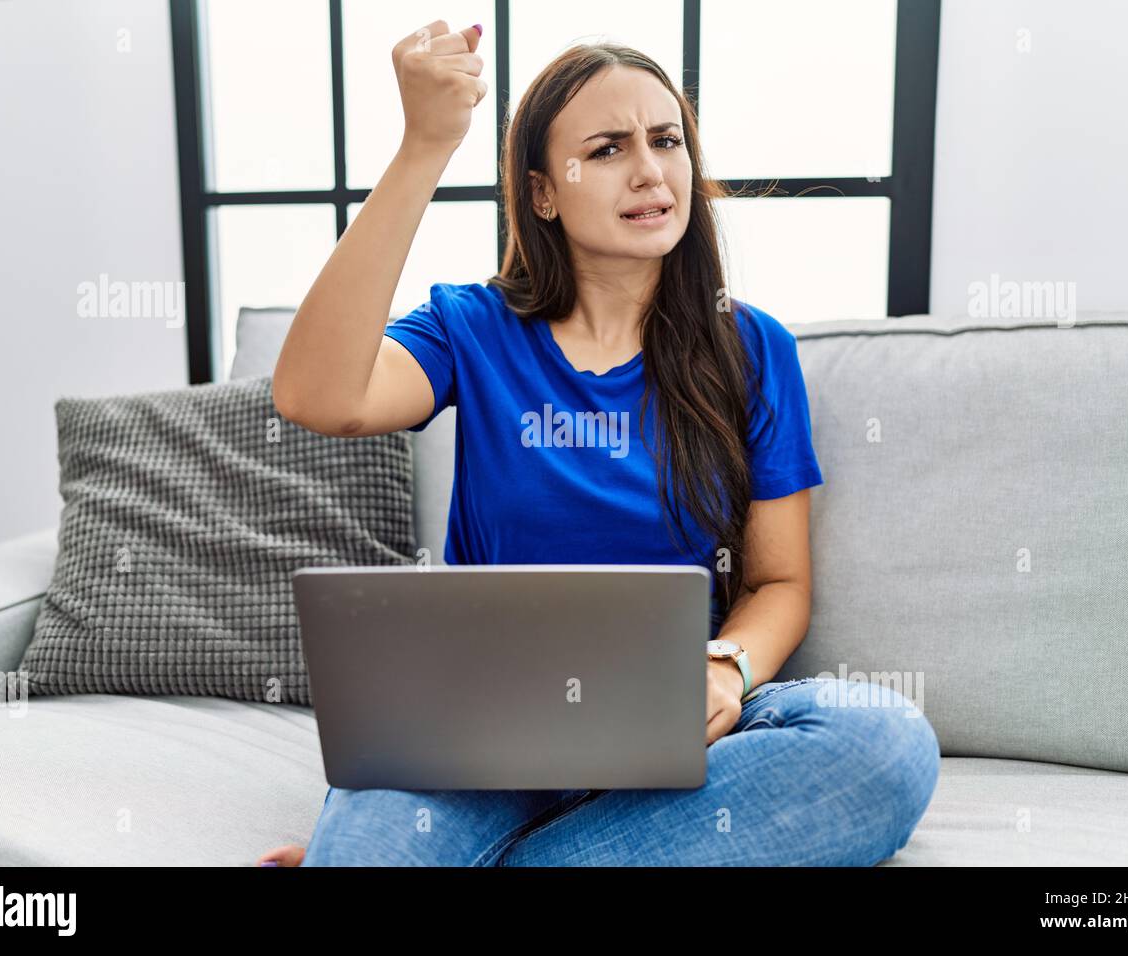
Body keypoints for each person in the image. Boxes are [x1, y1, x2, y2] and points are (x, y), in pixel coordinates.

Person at [262, 19, 940, 866]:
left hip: (678, 730)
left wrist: (725, 671)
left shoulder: (752, 347)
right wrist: (423, 148)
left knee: (884, 739)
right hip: (480, 729)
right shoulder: (470, 328)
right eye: (610, 148)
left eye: (666, 141)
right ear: (544, 192)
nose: (651, 171)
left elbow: (780, 583)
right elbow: (316, 396)